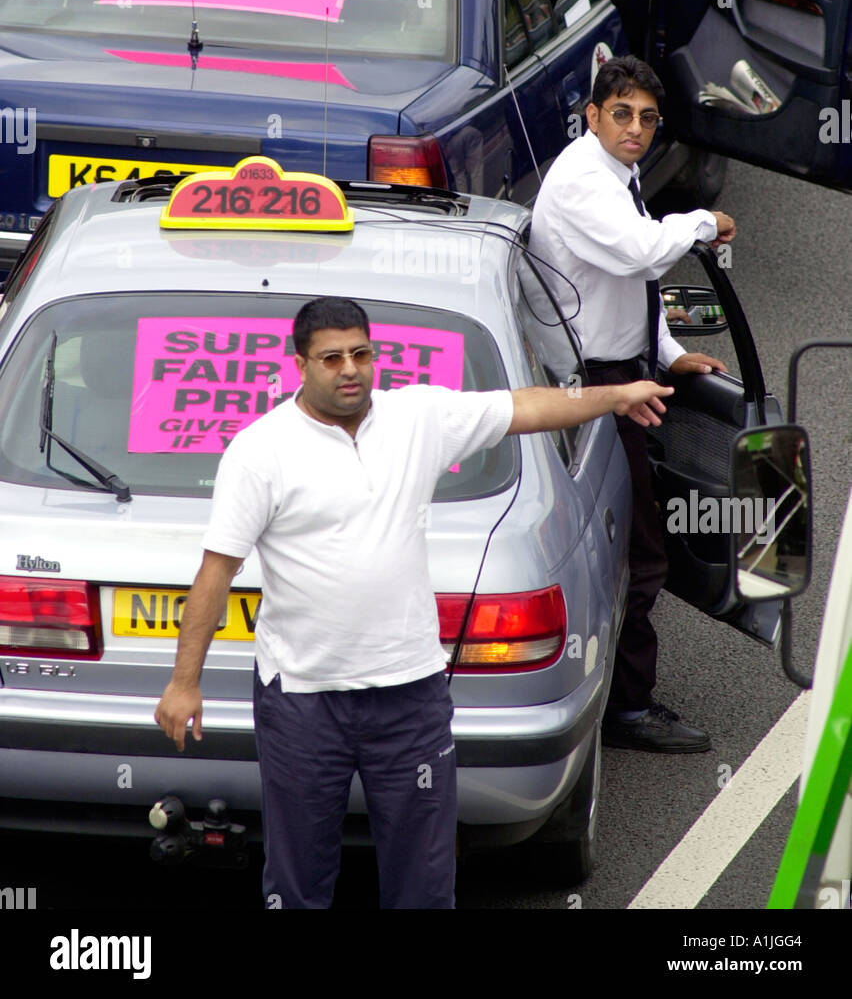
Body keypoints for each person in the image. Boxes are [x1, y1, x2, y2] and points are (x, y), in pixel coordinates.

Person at [155, 294, 673, 909]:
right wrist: (184, 682)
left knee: (424, 885)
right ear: (300, 366)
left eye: (360, 354)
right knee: (297, 884)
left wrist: (613, 397)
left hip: (410, 699)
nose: (349, 369)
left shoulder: (418, 417)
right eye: (331, 358)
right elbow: (216, 573)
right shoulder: (260, 452)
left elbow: (527, 406)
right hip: (302, 702)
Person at [529, 55, 737, 753]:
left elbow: (626, 286)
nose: (638, 129)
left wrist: (672, 353)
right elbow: (645, 256)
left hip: (619, 371)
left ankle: (615, 687)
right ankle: (626, 709)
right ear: (592, 116)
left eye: (648, 118)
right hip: (592, 386)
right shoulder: (586, 182)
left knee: (629, 539)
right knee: (638, 548)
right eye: (622, 114)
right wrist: (703, 220)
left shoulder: (612, 173)